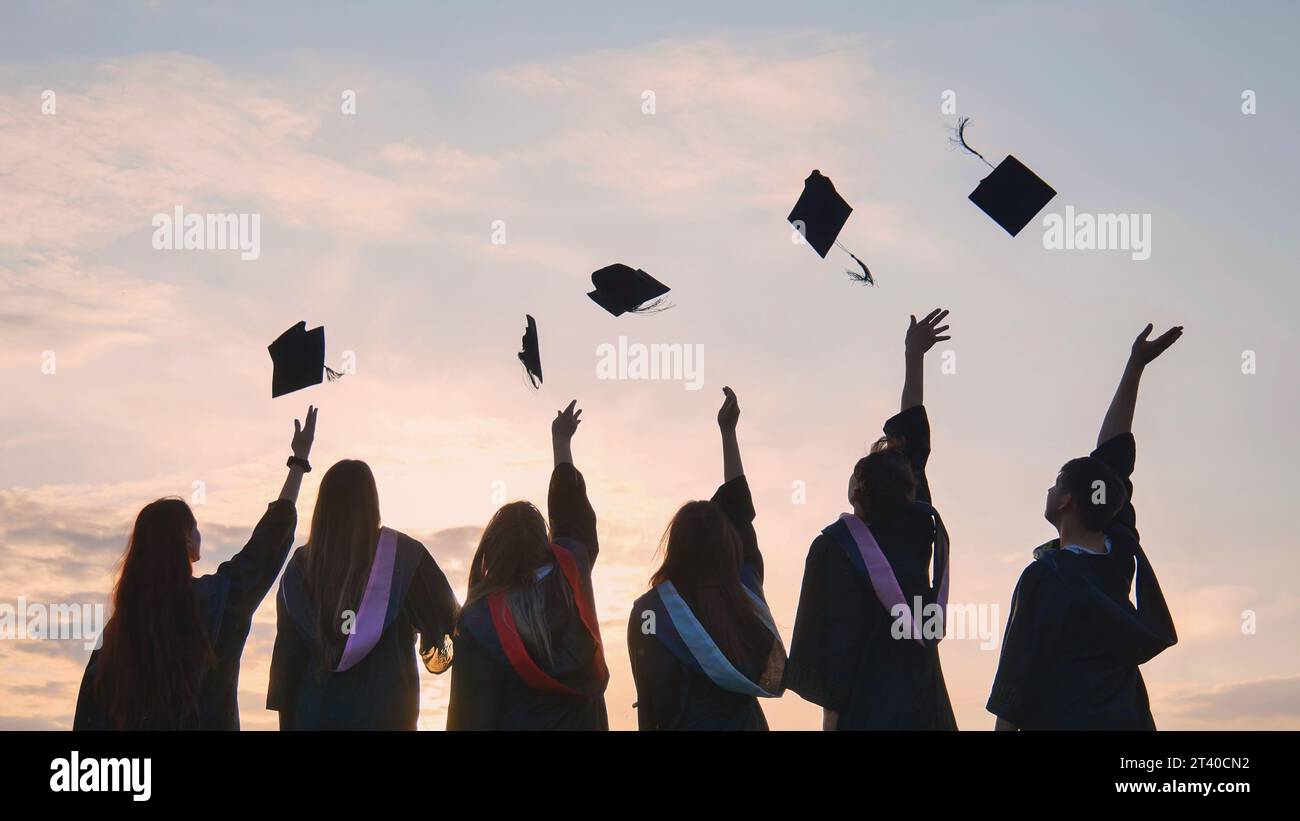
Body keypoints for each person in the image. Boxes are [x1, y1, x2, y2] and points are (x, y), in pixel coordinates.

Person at [74, 407, 318, 730]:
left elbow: (90, 722)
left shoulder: (118, 633)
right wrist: (298, 463)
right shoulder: (218, 601)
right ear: (185, 542)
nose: (199, 535)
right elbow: (266, 546)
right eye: (194, 528)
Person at [988, 324, 1181, 730]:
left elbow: (1016, 677)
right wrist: (1135, 367)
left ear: (1066, 501)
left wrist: (1135, 365)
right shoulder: (1120, 555)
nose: (1050, 487)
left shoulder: (1044, 577)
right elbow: (1112, 460)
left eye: (1057, 482)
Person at [785, 309, 957, 730]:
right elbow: (913, 445)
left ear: (856, 494)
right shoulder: (920, 528)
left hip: (867, 714)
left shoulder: (834, 551)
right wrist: (914, 358)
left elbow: (832, 660)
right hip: (928, 711)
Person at [628, 387, 785, 730]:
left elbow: (653, 704)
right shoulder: (744, 593)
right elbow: (740, 515)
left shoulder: (653, 611)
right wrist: (729, 435)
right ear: (729, 546)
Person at [447, 400, 608, 730]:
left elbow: (469, 719)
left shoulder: (479, 621)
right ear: (543, 544)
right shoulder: (571, 573)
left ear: (491, 552)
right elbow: (571, 513)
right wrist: (561, 443)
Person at [267, 459, 460, 730]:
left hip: (314, 716)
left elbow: (287, 666)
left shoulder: (300, 569)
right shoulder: (403, 557)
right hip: (388, 716)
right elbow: (448, 623)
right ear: (372, 502)